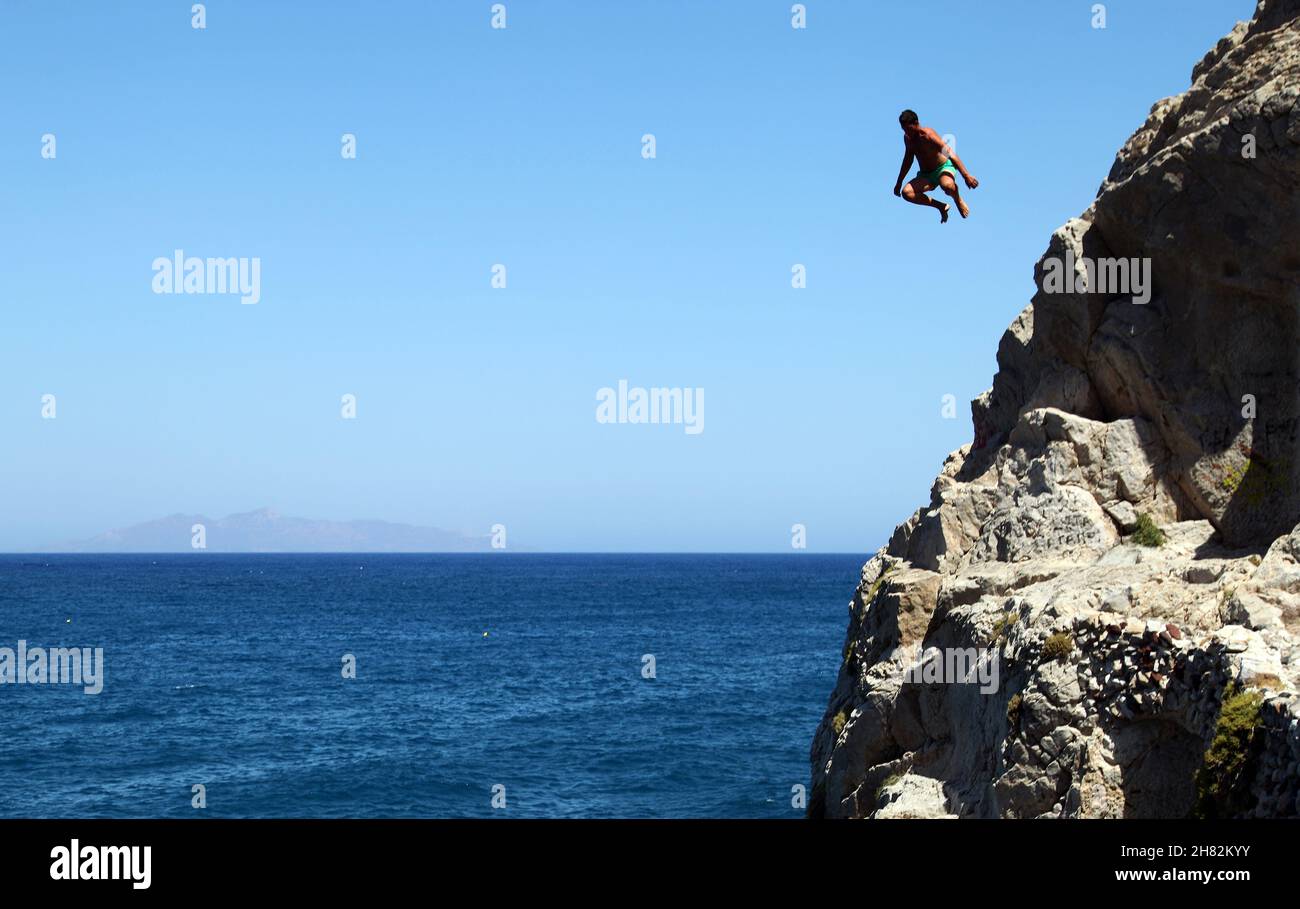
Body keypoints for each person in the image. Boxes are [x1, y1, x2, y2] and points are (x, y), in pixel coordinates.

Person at [892, 109, 979, 223]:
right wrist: (899, 182)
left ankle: (958, 200)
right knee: (907, 193)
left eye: (909, 129)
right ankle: (941, 207)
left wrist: (966, 176)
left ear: (916, 123)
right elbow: (908, 160)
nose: (907, 133)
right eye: (904, 130)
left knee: (947, 185)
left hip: (943, 168)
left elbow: (950, 153)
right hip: (926, 175)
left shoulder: (928, 135)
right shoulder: (908, 138)